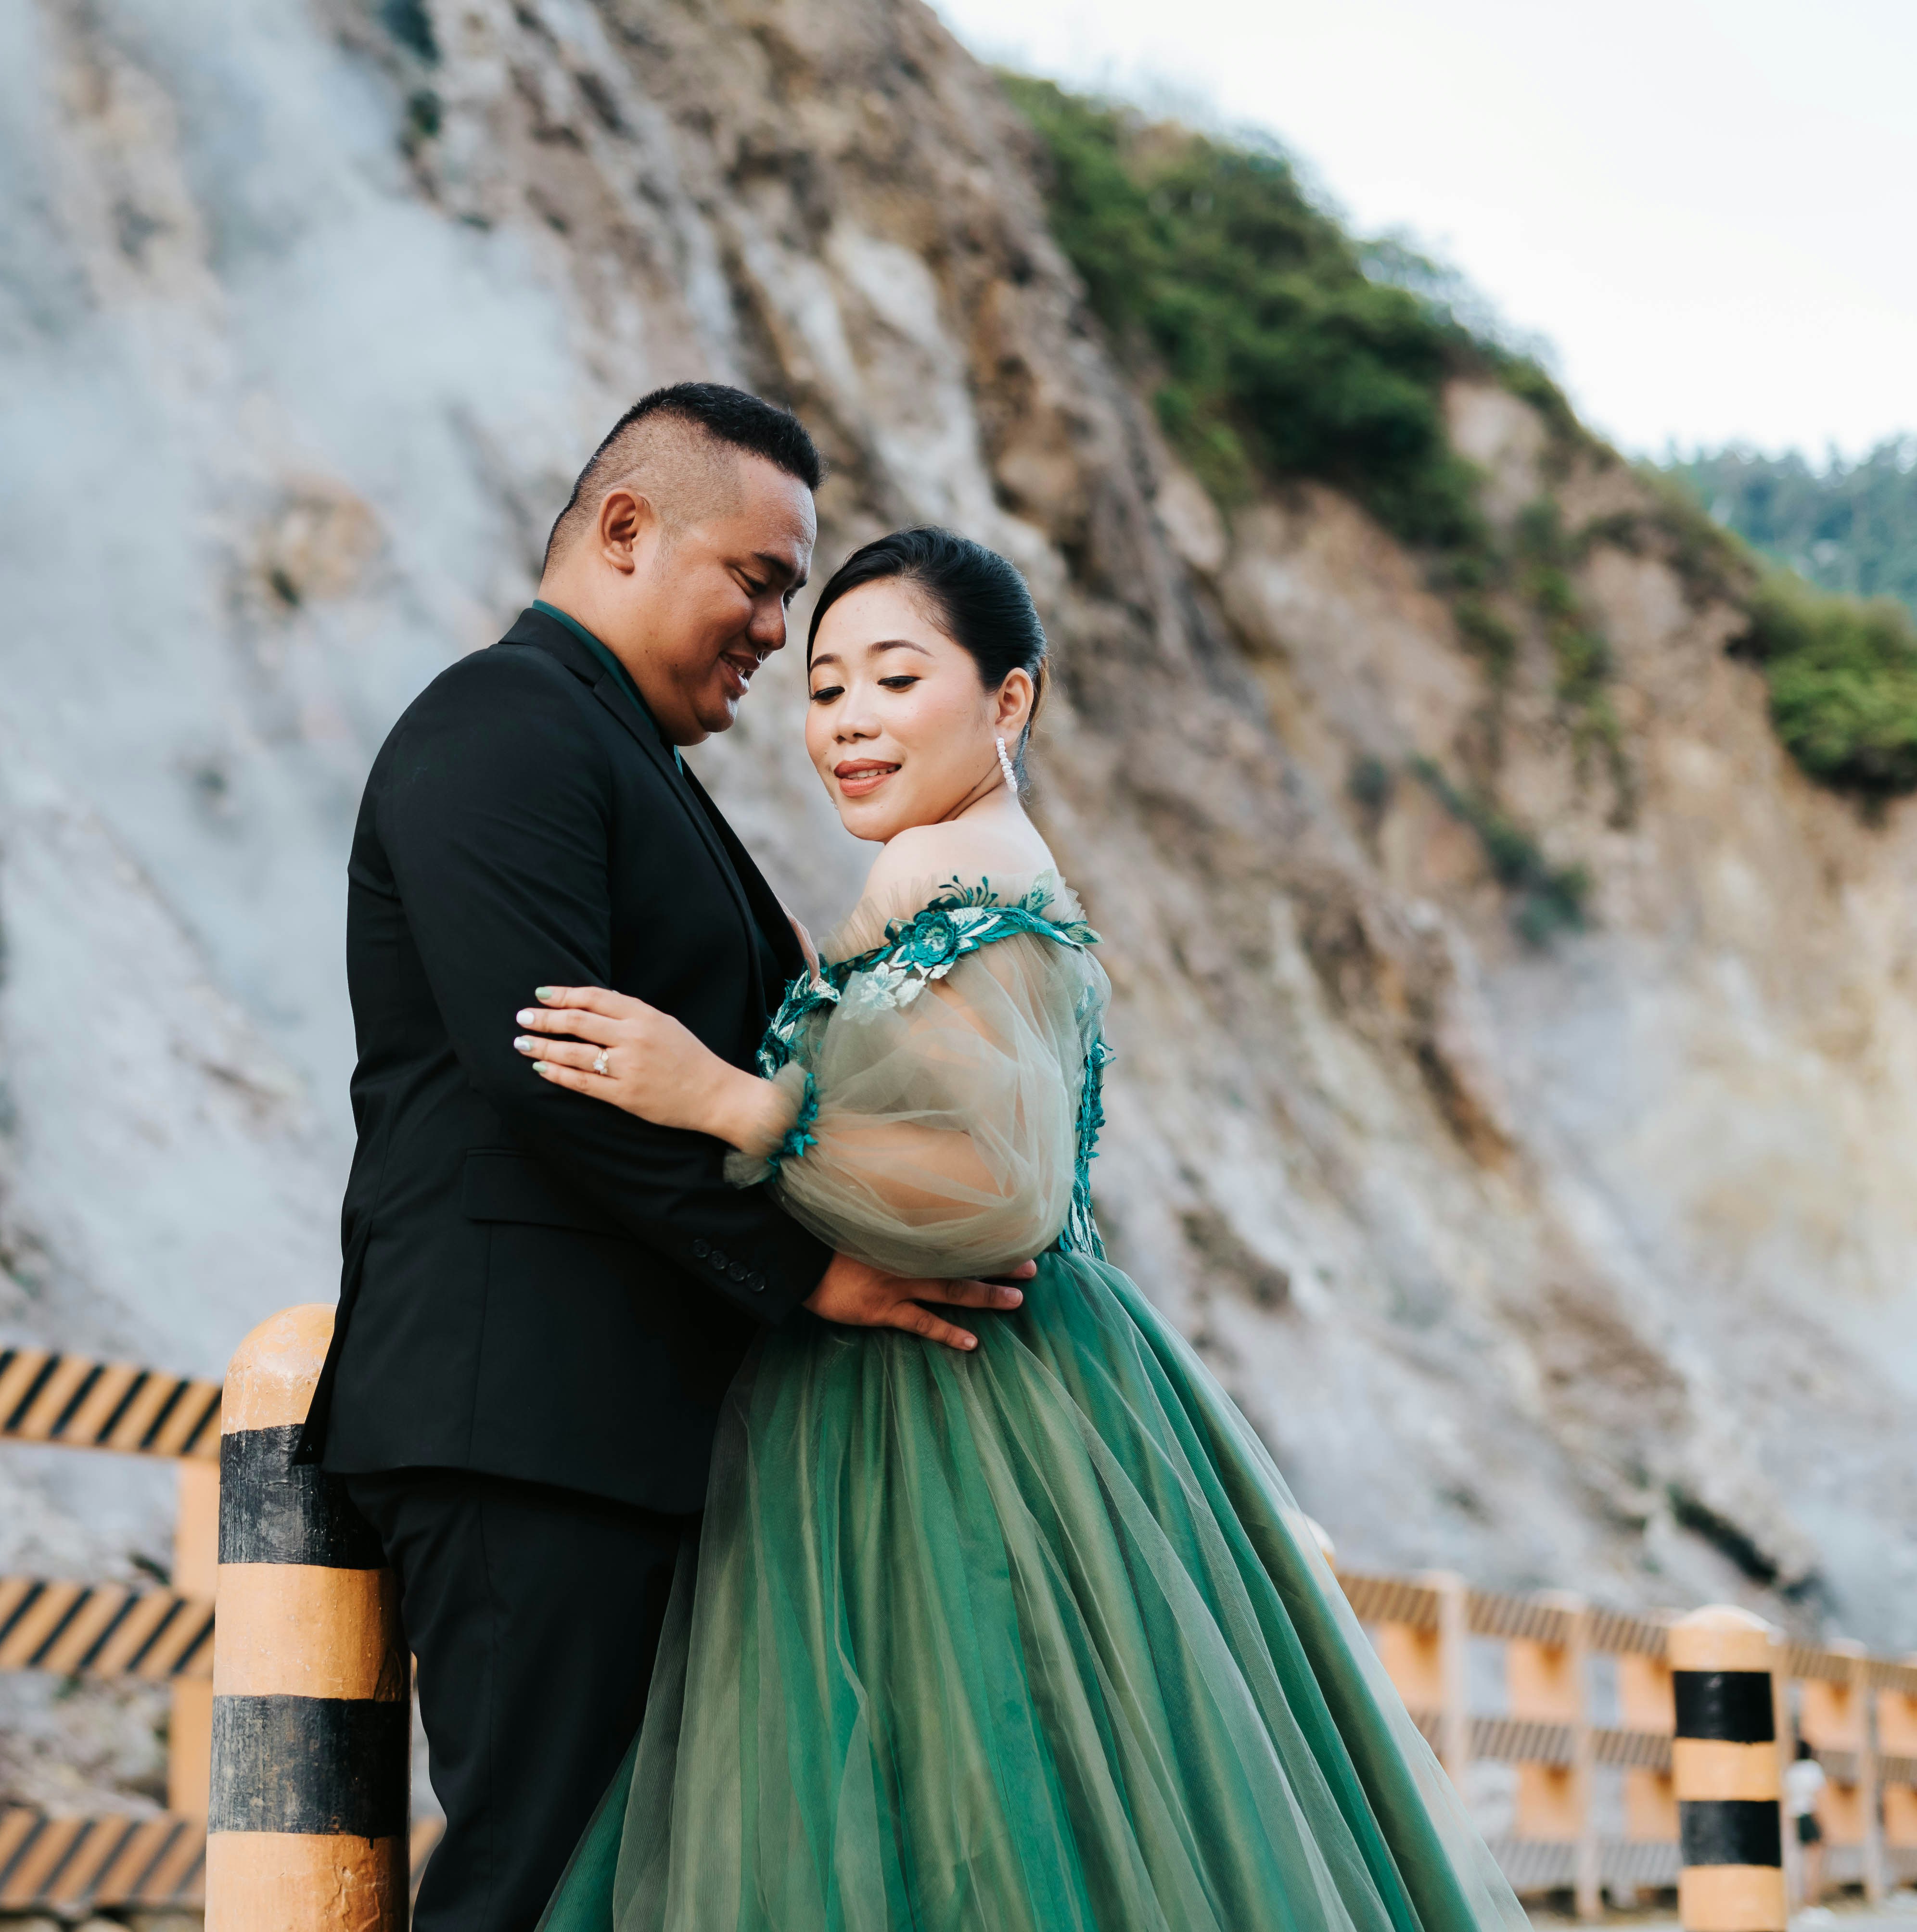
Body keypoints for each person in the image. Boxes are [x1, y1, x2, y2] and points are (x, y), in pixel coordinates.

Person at [514, 527, 1531, 1930]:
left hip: (949, 1396)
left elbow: (994, 1184)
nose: (849, 720)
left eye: (893, 677)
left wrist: (731, 1107)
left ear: (1008, 701)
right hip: (1032, 1375)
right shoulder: (975, 857)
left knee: (953, 1801)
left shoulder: (948, 874)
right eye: (823, 689)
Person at [299, 390, 1031, 1932]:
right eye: (759, 579)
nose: (778, 630)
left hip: (616, 1424)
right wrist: (805, 1268)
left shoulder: (623, 757)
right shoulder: (501, 722)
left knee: (630, 1885)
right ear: (625, 529)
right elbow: (544, 1071)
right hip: (530, 1418)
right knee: (544, 1872)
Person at [1788, 1736, 1827, 1907]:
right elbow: (1819, 1800)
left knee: (1798, 1862)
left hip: (1793, 1817)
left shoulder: (1790, 1771)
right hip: (1809, 1815)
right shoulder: (1813, 1769)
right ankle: (1812, 1903)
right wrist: (1824, 1824)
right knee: (1814, 1862)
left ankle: (1799, 1902)